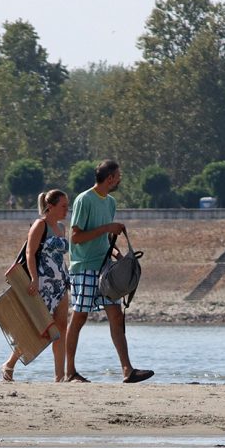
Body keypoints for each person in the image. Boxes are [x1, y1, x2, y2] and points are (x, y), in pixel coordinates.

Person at [63, 159, 154, 384]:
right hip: (84, 267)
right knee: (79, 316)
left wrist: (117, 255)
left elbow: (104, 239)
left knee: (116, 314)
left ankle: (127, 370)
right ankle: (69, 372)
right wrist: (108, 228)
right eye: (118, 175)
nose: (120, 179)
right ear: (110, 178)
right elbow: (76, 237)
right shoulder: (85, 200)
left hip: (105, 268)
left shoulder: (110, 202)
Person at [2, 188, 72, 381]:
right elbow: (30, 253)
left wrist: (67, 278)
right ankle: (9, 364)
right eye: (63, 206)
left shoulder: (62, 228)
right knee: (37, 328)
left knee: (61, 329)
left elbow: (59, 257)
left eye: (67, 205)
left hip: (60, 283)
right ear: (50, 207)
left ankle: (59, 376)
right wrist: (34, 278)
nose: (67, 209)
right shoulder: (40, 225)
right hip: (43, 283)